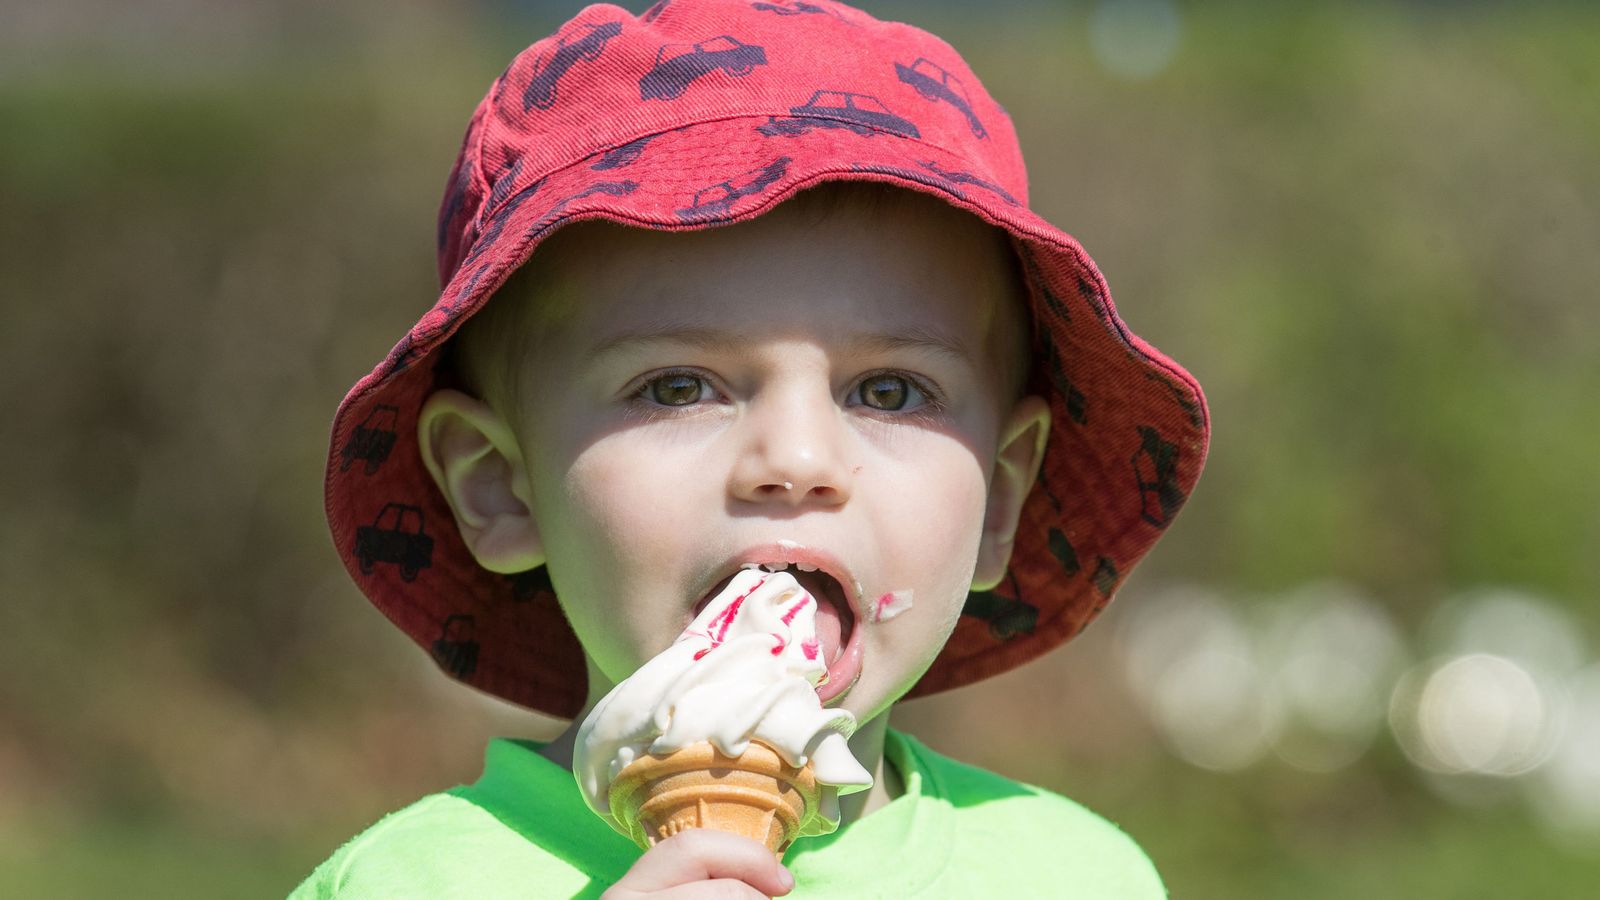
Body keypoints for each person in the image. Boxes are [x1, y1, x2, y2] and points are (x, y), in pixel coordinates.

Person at [295, 0, 1208, 896]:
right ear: (502, 485)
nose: (798, 460)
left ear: (1000, 497)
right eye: (678, 387)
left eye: (889, 391)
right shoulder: (404, 882)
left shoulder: (1079, 875)